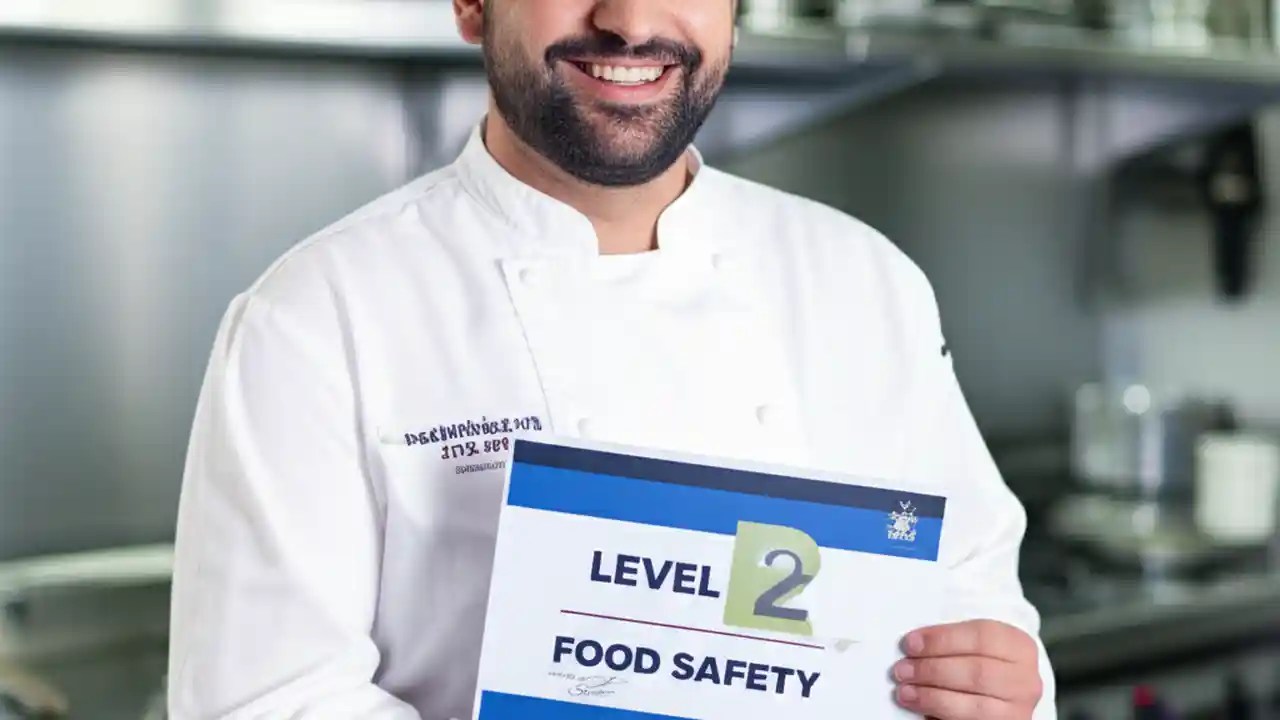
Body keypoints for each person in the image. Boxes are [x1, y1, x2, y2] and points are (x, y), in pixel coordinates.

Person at [167, 0, 1054, 717]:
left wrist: (1003, 682)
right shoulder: (319, 315)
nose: (631, 20)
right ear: (472, 5)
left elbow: (972, 595)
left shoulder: (866, 280)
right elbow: (265, 700)